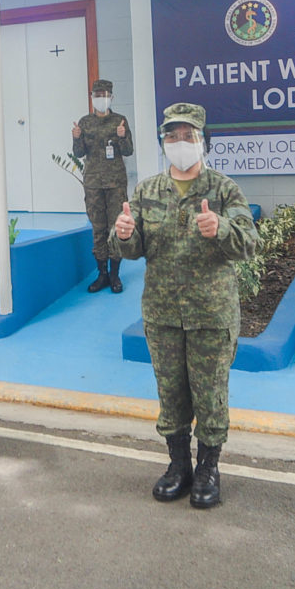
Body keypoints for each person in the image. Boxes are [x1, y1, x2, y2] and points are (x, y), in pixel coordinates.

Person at [112, 102, 259, 509]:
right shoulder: (146, 191)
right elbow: (130, 248)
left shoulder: (224, 190)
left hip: (211, 314)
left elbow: (249, 244)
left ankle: (209, 468)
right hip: (162, 313)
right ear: (163, 143)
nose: (180, 143)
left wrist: (221, 228)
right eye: (172, 136)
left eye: (188, 135)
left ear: (203, 141)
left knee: (210, 394)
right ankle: (178, 465)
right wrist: (124, 234)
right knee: (171, 393)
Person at [71, 78, 134, 293]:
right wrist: (76, 138)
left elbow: (128, 151)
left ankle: (115, 275)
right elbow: (79, 153)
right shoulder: (85, 122)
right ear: (92, 98)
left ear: (111, 98)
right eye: (97, 96)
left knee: (115, 228)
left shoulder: (120, 121)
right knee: (98, 229)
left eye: (105, 96)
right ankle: (102, 274)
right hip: (93, 184)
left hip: (115, 183)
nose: (101, 99)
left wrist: (122, 137)